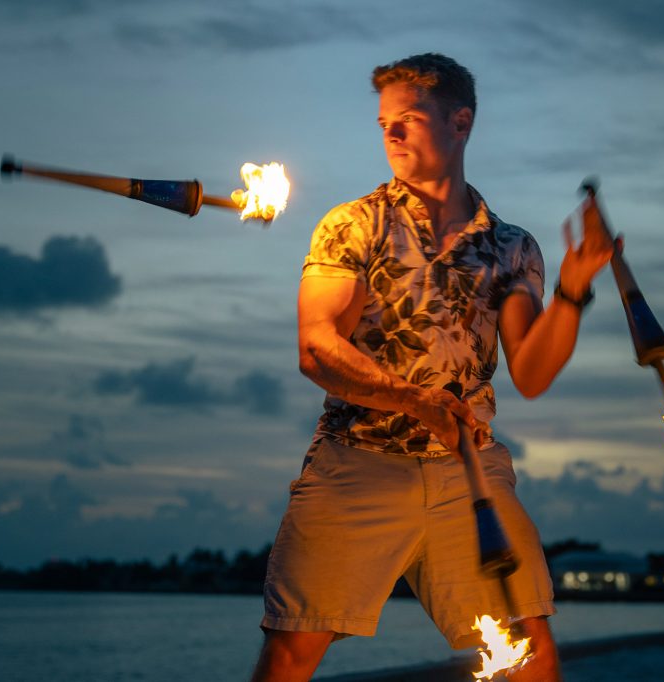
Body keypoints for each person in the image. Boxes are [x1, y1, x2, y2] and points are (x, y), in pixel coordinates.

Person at [251, 53, 615, 682]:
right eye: (384, 123)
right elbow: (316, 347)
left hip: (466, 472)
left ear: (461, 122)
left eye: (408, 119)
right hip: (356, 466)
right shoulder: (352, 226)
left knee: (531, 658)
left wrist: (575, 288)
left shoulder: (511, 247)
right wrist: (413, 400)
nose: (390, 134)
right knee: (292, 655)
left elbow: (530, 370)